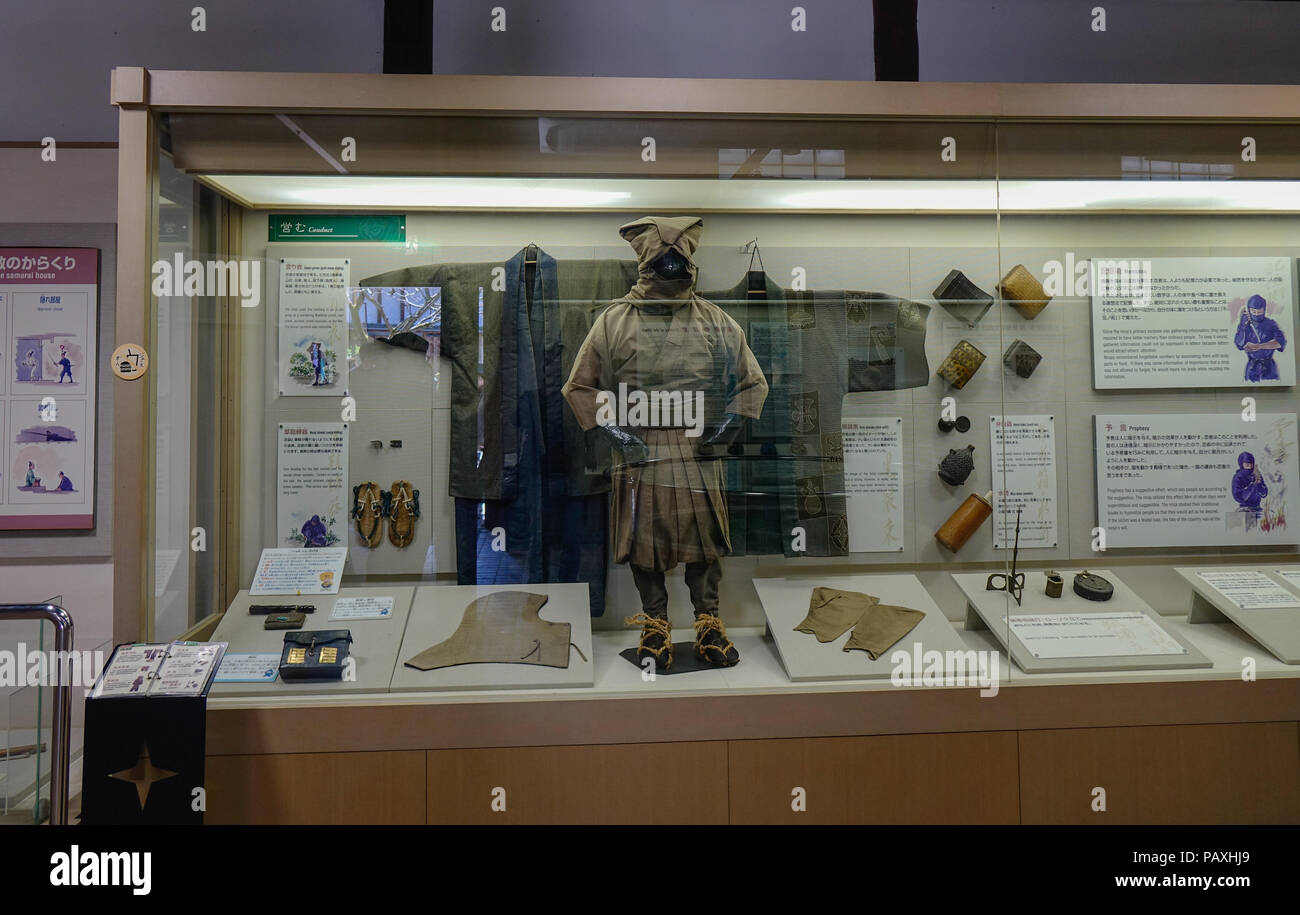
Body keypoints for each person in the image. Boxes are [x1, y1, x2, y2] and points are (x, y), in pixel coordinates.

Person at [1234, 294, 1287, 382]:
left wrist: (1259, 346)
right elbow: (1239, 345)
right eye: (1254, 312)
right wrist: (1242, 326)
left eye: (1259, 312)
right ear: (1249, 310)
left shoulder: (1271, 324)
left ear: (1264, 310)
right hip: (1252, 367)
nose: (1256, 314)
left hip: (1269, 366)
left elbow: (1281, 342)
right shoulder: (1246, 325)